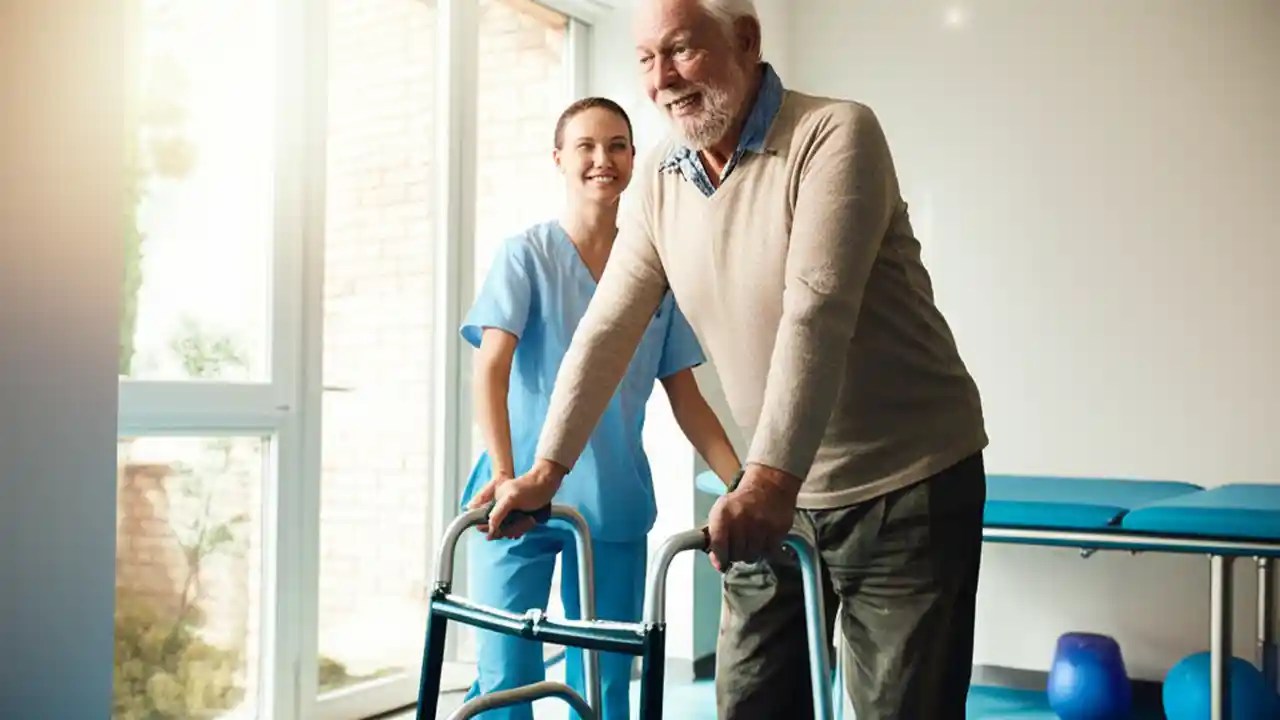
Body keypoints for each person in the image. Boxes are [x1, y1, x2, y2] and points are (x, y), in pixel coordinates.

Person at [480, 0, 990, 719]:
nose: (663, 79)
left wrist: (768, 480)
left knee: (899, 709)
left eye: (682, 50)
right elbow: (606, 331)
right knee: (749, 699)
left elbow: (816, 309)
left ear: (745, 41)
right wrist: (545, 470)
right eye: (647, 60)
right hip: (777, 487)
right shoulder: (661, 176)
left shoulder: (833, 134)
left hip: (903, 483)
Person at [458, 95, 742, 720]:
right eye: (585, 146)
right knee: (506, 679)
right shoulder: (526, 255)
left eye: (616, 145)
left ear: (634, 159)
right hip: (515, 500)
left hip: (611, 499)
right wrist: (505, 474)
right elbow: (492, 366)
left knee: (608, 685)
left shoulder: (651, 273)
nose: (601, 159)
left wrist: (744, 487)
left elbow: (687, 400)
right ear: (558, 159)